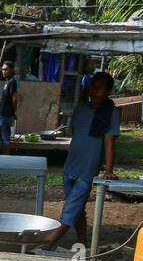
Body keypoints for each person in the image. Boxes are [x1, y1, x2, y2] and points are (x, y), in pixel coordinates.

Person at [43, 71, 119, 249]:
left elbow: (109, 141)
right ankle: (82, 243)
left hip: (87, 169)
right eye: (93, 87)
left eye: (99, 88)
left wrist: (109, 170)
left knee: (70, 210)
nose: (94, 91)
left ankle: (47, 245)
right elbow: (78, 133)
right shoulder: (81, 108)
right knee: (78, 210)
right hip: (71, 165)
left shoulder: (111, 112)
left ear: (109, 91)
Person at [0, 60, 19, 152]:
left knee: (6, 140)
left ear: (12, 70)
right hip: (3, 114)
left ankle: (6, 158)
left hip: (6, 114)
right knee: (1, 138)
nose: (3, 71)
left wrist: (13, 111)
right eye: (2, 70)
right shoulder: (7, 81)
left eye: (6, 69)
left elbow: (15, 98)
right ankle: (2, 158)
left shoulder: (12, 81)